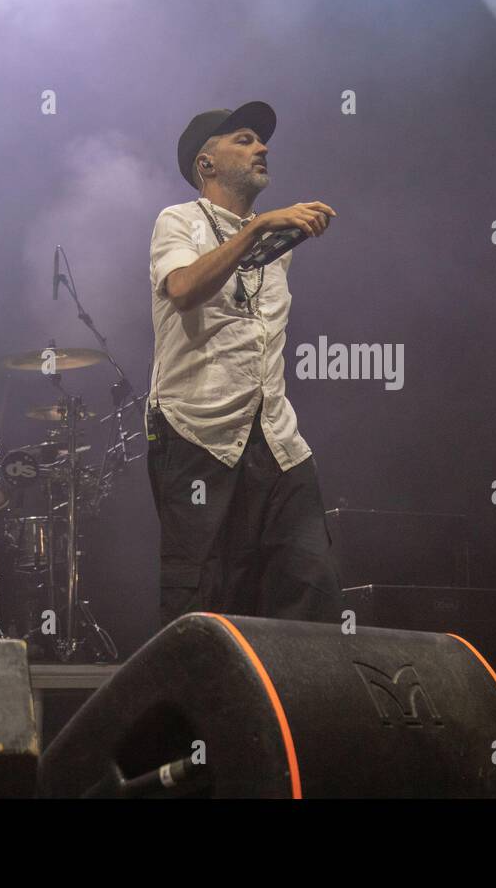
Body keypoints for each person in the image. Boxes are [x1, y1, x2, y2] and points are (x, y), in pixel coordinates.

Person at [145, 100, 343, 626]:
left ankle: (293, 707)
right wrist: (255, 232)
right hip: (197, 431)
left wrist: (264, 231)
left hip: (276, 437)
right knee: (203, 598)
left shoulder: (279, 242)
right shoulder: (178, 220)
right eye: (245, 139)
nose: (263, 148)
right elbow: (184, 289)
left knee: (308, 582)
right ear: (205, 164)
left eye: (262, 140)